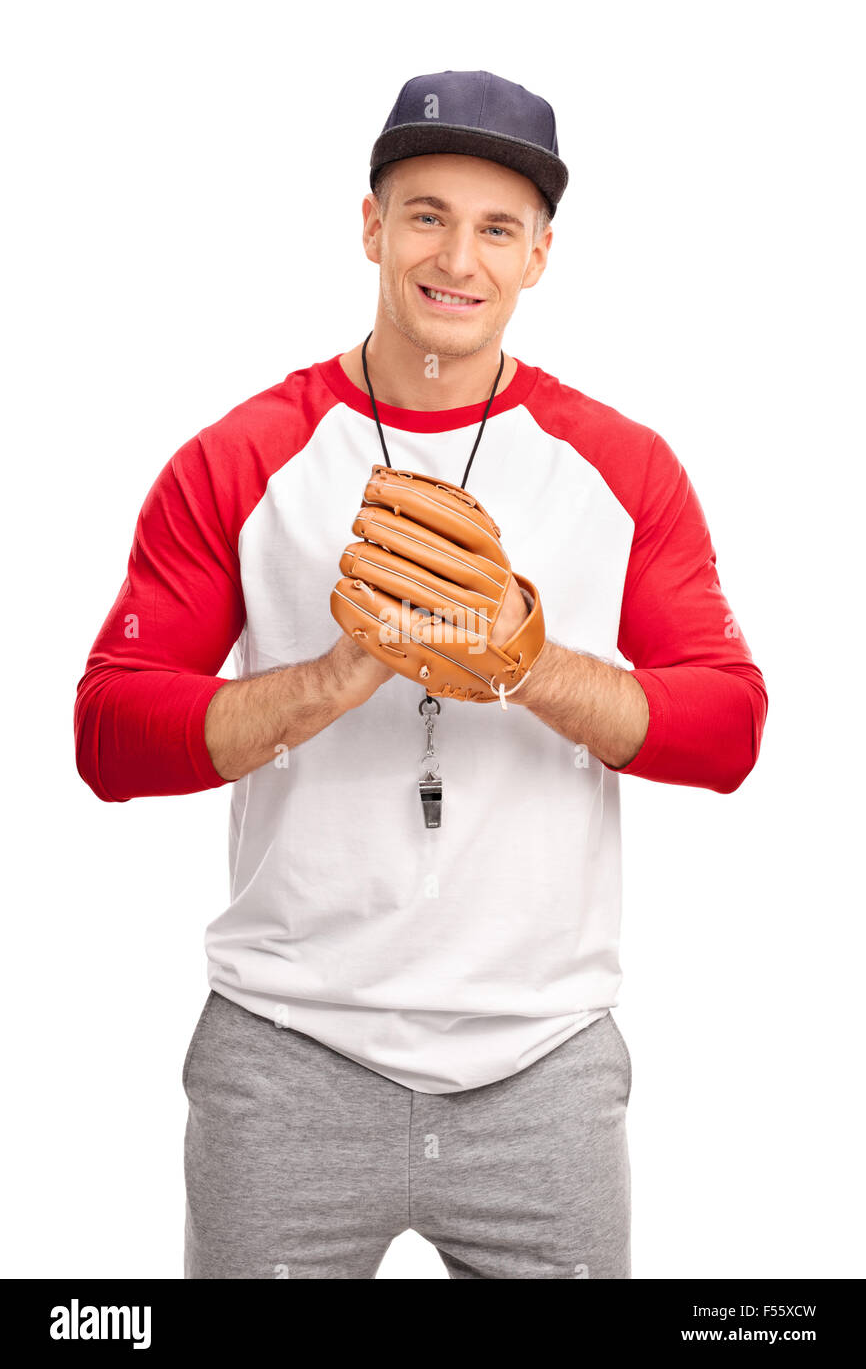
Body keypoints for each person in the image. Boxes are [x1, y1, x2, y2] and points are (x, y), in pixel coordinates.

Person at [74, 69, 768, 1280]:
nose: (458, 256)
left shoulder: (619, 466)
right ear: (370, 226)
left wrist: (527, 663)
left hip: (541, 1064)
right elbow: (108, 733)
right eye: (426, 214)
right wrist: (335, 676)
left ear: (539, 254)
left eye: (497, 227)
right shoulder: (242, 455)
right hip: (285, 1051)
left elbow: (727, 729)